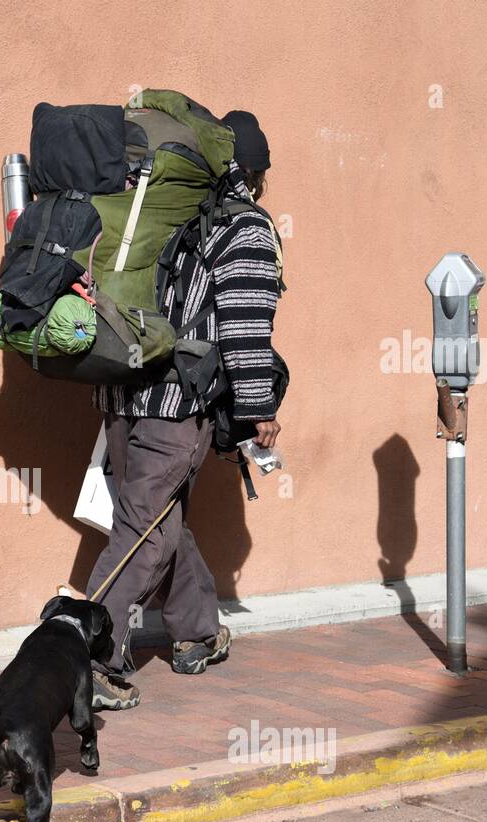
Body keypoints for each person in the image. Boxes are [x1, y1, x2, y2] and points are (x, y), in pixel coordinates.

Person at [86, 109, 282, 711]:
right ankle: (87, 655)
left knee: (155, 514)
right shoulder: (244, 228)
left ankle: (196, 633)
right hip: (174, 404)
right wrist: (258, 408)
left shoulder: (172, 219)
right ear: (256, 173)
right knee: (145, 528)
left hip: (121, 392)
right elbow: (245, 325)